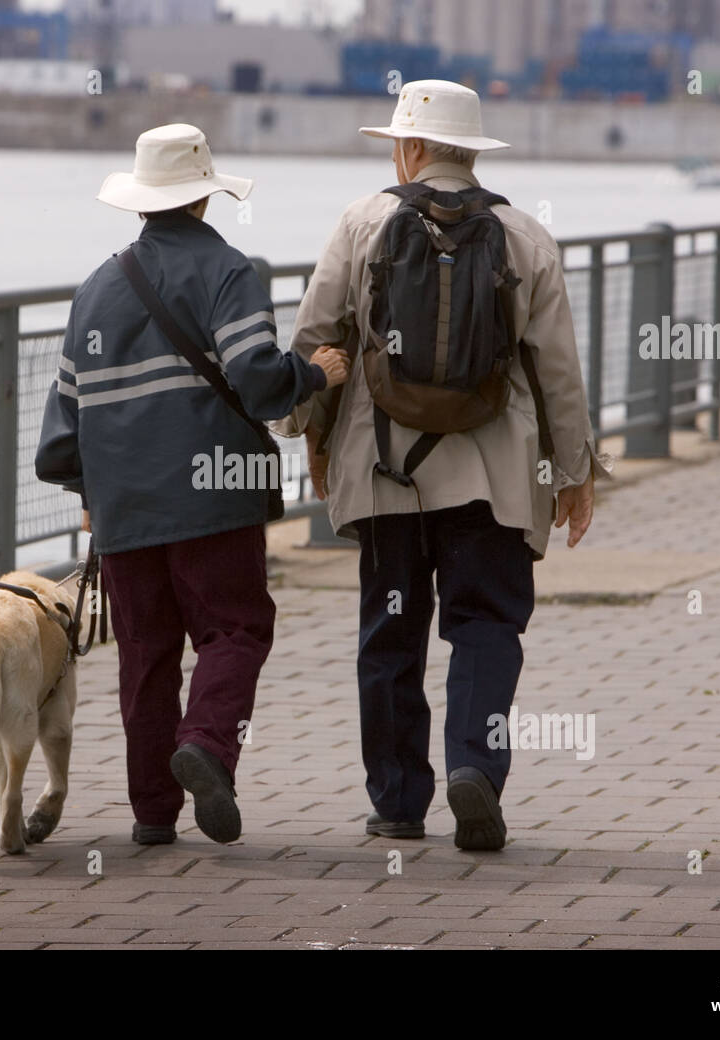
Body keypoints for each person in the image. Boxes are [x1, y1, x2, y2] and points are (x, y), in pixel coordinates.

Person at [273, 81, 612, 850]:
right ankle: (474, 770)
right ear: (471, 149)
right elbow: (558, 370)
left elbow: (316, 342)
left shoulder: (362, 223)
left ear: (409, 148)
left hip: (386, 471)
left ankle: (397, 802)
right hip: (495, 479)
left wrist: (312, 437)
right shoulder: (524, 235)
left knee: (391, 638)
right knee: (486, 626)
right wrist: (574, 472)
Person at [36, 123, 350, 846]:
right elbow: (258, 379)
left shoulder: (97, 289)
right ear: (206, 198)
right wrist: (317, 374)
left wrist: (92, 492)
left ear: (142, 202)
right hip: (215, 497)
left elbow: (61, 434)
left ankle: (152, 816)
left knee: (145, 657)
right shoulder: (228, 271)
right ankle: (206, 746)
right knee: (235, 628)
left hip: (125, 510)